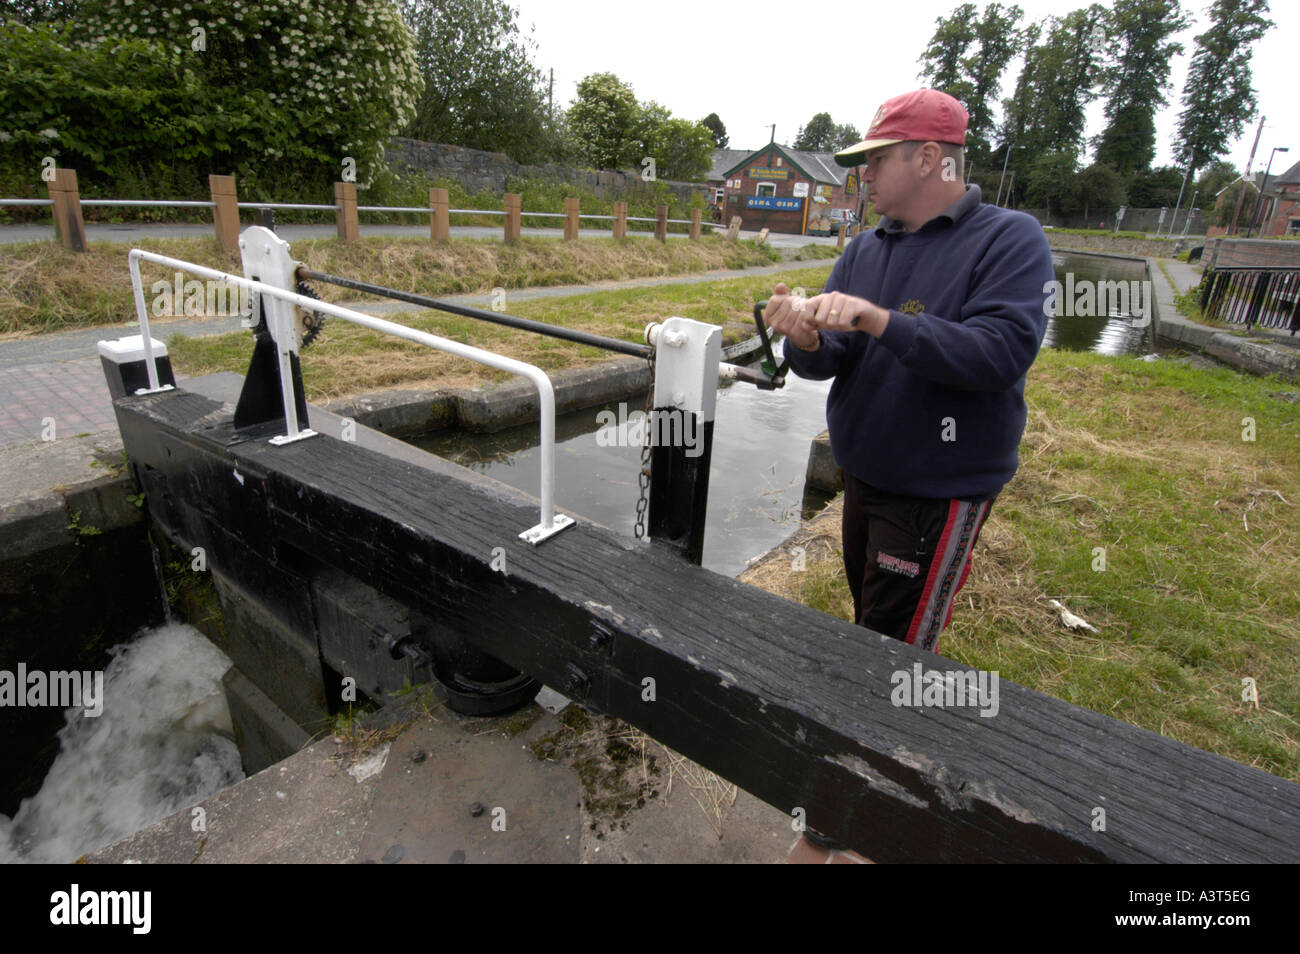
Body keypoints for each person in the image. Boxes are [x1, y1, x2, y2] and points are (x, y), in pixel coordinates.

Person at [763, 88, 1054, 653]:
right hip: (863, 477)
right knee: (869, 619)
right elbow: (832, 359)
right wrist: (805, 340)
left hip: (935, 492)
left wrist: (880, 320)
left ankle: (881, 737)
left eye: (875, 160)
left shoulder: (1011, 238)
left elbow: (1000, 355)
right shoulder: (866, 248)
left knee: (893, 650)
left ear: (926, 159)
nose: (862, 177)